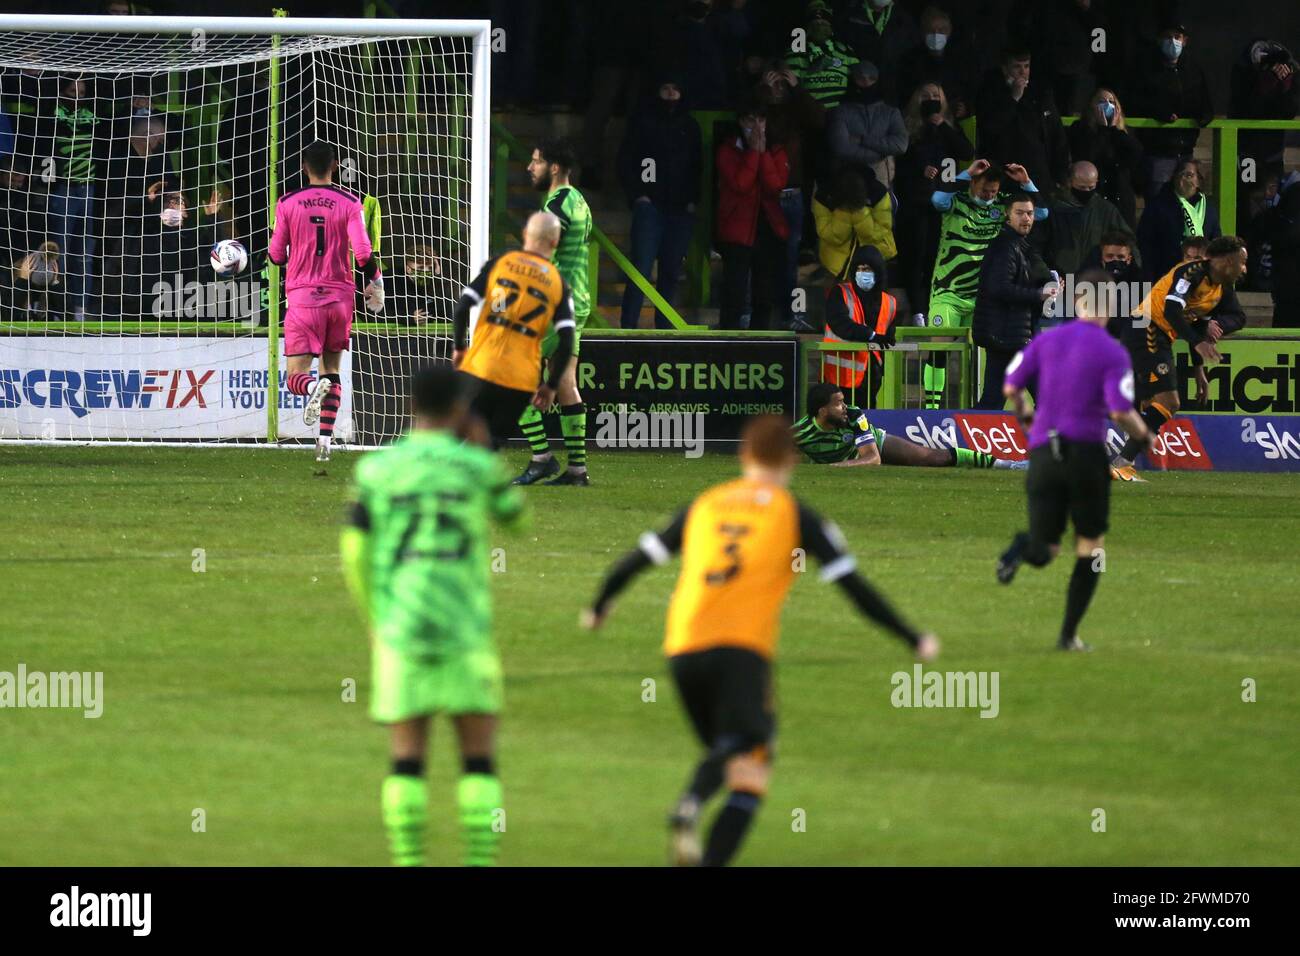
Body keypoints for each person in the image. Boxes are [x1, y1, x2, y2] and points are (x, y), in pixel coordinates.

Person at [582, 415, 939, 867]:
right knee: (750, 738)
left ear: (744, 456)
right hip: (741, 649)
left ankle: (705, 846)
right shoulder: (795, 513)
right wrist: (912, 637)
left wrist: (599, 605)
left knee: (744, 763)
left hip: (682, 648)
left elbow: (638, 558)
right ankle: (690, 803)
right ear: (791, 458)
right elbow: (852, 587)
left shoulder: (706, 503)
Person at [341, 365, 526, 867]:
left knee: (406, 761)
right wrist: (484, 448)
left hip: (403, 629)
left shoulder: (377, 470)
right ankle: (480, 860)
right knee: (479, 761)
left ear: (411, 406)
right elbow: (517, 516)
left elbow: (354, 550)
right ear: (461, 410)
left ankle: (409, 861)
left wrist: (379, 618)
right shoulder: (475, 468)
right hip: (466, 630)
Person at [995, 268, 1154, 651]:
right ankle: (1068, 635)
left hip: (1043, 454)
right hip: (1085, 457)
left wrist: (1024, 416)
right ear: (1111, 305)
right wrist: (1144, 434)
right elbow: (1119, 410)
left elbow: (1011, 384)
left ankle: (1022, 548)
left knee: (1046, 550)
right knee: (1091, 545)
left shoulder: (1047, 340)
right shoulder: (1114, 351)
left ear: (1077, 301)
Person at [267, 140, 384, 463]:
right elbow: (363, 253)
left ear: (304, 167)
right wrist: (376, 282)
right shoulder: (350, 202)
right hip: (340, 299)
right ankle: (324, 442)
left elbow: (276, 256)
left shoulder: (287, 203)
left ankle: (310, 390)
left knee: (296, 377)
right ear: (335, 166)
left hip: (304, 298)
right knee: (331, 371)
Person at [1112, 236, 1249, 475]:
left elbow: (1233, 319)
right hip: (1145, 327)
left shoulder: (1219, 289)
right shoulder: (1191, 272)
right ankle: (1121, 462)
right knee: (1169, 401)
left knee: (1153, 403)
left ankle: (1118, 459)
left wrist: (1199, 371)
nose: (1245, 268)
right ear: (1228, 260)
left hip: (1159, 335)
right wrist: (1197, 342)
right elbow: (1172, 310)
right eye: (1242, 262)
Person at [451, 212, 575, 451]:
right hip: (521, 379)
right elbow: (567, 341)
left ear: (525, 234)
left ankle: (434, 484)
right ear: (555, 242)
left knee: (454, 436)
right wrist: (550, 386)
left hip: (482, 366)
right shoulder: (560, 283)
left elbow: (463, 306)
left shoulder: (502, 262)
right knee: (488, 447)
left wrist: (458, 347)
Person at [925, 158, 1043, 407]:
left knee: (983, 359)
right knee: (939, 349)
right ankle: (931, 407)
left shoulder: (1002, 208)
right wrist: (965, 173)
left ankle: (978, 410)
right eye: (984, 189)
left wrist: (1026, 182)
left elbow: (1040, 213)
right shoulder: (956, 201)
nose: (989, 194)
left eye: (994, 191)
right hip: (949, 290)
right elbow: (937, 200)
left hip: (982, 297)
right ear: (973, 184)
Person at [514, 138, 593, 486]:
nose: (530, 168)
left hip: (556, 300)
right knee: (564, 382)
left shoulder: (557, 204)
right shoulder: (580, 201)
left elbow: (546, 251)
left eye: (536, 161)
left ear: (554, 167)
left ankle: (541, 458)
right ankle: (577, 470)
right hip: (578, 298)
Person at [615, 72, 701, 330]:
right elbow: (626, 160)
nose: (671, 94)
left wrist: (692, 201)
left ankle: (664, 330)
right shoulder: (642, 122)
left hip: (679, 210)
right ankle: (627, 329)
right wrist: (638, 195)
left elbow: (698, 167)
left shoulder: (690, 125)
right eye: (666, 88)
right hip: (650, 208)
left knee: (671, 272)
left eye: (676, 89)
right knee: (640, 269)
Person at [795, 382, 1025, 470]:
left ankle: (1006, 464)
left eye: (844, 401)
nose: (845, 407)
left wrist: (833, 467)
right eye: (838, 404)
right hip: (848, 459)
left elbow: (873, 459)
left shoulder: (855, 416)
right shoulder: (800, 433)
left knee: (933, 458)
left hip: (876, 443)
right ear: (822, 411)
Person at [893, 81, 972, 325]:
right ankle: (918, 310)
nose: (931, 99)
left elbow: (966, 152)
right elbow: (900, 163)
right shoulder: (908, 126)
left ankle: (932, 306)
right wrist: (920, 169)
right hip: (916, 203)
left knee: (937, 257)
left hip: (944, 203)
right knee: (916, 255)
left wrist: (944, 127)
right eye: (925, 95)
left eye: (936, 95)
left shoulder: (949, 126)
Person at [755, 60, 826, 331]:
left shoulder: (796, 112)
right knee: (759, 257)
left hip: (792, 195)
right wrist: (763, 90)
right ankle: (755, 316)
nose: (777, 88)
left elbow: (818, 119)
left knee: (789, 258)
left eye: (781, 84)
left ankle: (788, 315)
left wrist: (798, 89)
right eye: (773, 83)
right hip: (761, 195)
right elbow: (751, 117)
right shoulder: (759, 109)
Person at [973, 193, 1057, 409]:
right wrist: (1039, 295)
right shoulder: (1006, 246)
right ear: (1007, 215)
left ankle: (964, 436)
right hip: (1009, 335)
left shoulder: (1019, 245)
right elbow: (999, 288)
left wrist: (1048, 285)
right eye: (1019, 213)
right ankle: (1047, 441)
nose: (1026, 218)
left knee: (991, 401)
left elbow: (1025, 279)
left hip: (1007, 336)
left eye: (1029, 213)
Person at [716, 105, 790, 331]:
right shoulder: (728, 150)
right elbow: (741, 183)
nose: (756, 127)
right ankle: (728, 340)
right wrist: (754, 153)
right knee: (734, 292)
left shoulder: (777, 150)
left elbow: (775, 185)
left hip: (768, 230)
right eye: (750, 120)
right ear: (740, 122)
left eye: (761, 120)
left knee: (764, 293)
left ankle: (761, 341)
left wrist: (763, 153)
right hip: (737, 230)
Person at [1128, 23, 1214, 202]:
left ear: (1185, 41)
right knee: (1158, 204)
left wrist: (1204, 115)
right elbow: (1133, 102)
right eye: (1168, 37)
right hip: (1157, 152)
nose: (1173, 42)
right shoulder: (1146, 69)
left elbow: (1204, 102)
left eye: (1177, 37)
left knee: (1188, 205)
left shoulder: (1193, 70)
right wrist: (1158, 112)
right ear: (1159, 41)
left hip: (1187, 150)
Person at [975, 48, 1069, 194]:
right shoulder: (990, 92)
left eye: (1026, 66)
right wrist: (1014, 98)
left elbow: (1057, 134)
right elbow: (989, 129)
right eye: (1017, 66)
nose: (1023, 72)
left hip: (1039, 174)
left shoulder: (1041, 93)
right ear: (1005, 69)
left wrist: (1060, 176)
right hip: (1004, 175)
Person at [818, 245, 897, 408]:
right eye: (859, 268)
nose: (862, 273)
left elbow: (888, 337)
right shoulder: (840, 293)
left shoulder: (889, 302)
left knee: (864, 427)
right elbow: (841, 324)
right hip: (839, 379)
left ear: (878, 271)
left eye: (867, 268)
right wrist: (871, 335)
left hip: (870, 380)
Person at [1035, 161, 1136, 280]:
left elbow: (1128, 242)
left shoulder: (1106, 210)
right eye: (1081, 187)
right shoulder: (1054, 208)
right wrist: (1047, 273)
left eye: (1091, 187)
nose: (1087, 191)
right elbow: (1037, 246)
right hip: (1060, 279)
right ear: (1070, 182)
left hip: (1095, 280)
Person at [1067, 88, 1144, 230]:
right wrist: (1103, 129)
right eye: (1101, 102)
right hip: (1094, 194)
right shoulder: (1080, 129)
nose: (1107, 105)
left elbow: (1136, 154)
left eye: (1111, 101)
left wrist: (1114, 130)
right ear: (1091, 107)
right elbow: (1088, 156)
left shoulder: (1124, 132)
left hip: (1120, 196)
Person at [825, 60, 907, 189]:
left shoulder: (891, 112)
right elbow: (841, 147)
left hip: (882, 183)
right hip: (849, 183)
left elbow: (900, 145)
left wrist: (862, 140)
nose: (866, 82)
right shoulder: (840, 111)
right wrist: (881, 154)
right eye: (860, 78)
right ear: (853, 80)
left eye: (871, 78)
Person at [1136, 158, 1221, 280]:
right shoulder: (1158, 205)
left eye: (1189, 175)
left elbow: (1216, 240)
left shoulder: (1208, 208)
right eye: (1180, 174)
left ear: (1199, 181)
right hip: (1166, 275)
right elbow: (1145, 242)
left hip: (1201, 276)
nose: (1183, 179)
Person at [811, 167, 894, 282]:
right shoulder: (823, 196)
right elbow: (828, 234)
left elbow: (880, 231)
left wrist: (859, 213)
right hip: (835, 264)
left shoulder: (878, 193)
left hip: (873, 258)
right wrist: (844, 213)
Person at [895, 5, 978, 118]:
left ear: (949, 31)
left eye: (941, 30)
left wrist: (965, 108)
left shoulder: (961, 61)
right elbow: (904, 93)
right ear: (923, 32)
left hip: (952, 121)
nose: (936, 34)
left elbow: (969, 91)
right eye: (931, 30)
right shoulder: (909, 60)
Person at [836, 0, 920, 106]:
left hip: (893, 99)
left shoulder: (905, 20)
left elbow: (912, 60)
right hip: (855, 99)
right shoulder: (849, 16)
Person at [786, 0, 860, 110]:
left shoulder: (845, 50)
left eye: (823, 21)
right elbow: (790, 89)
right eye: (815, 21)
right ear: (808, 25)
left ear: (830, 24)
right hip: (808, 113)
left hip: (841, 114)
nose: (819, 23)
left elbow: (858, 82)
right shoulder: (795, 51)